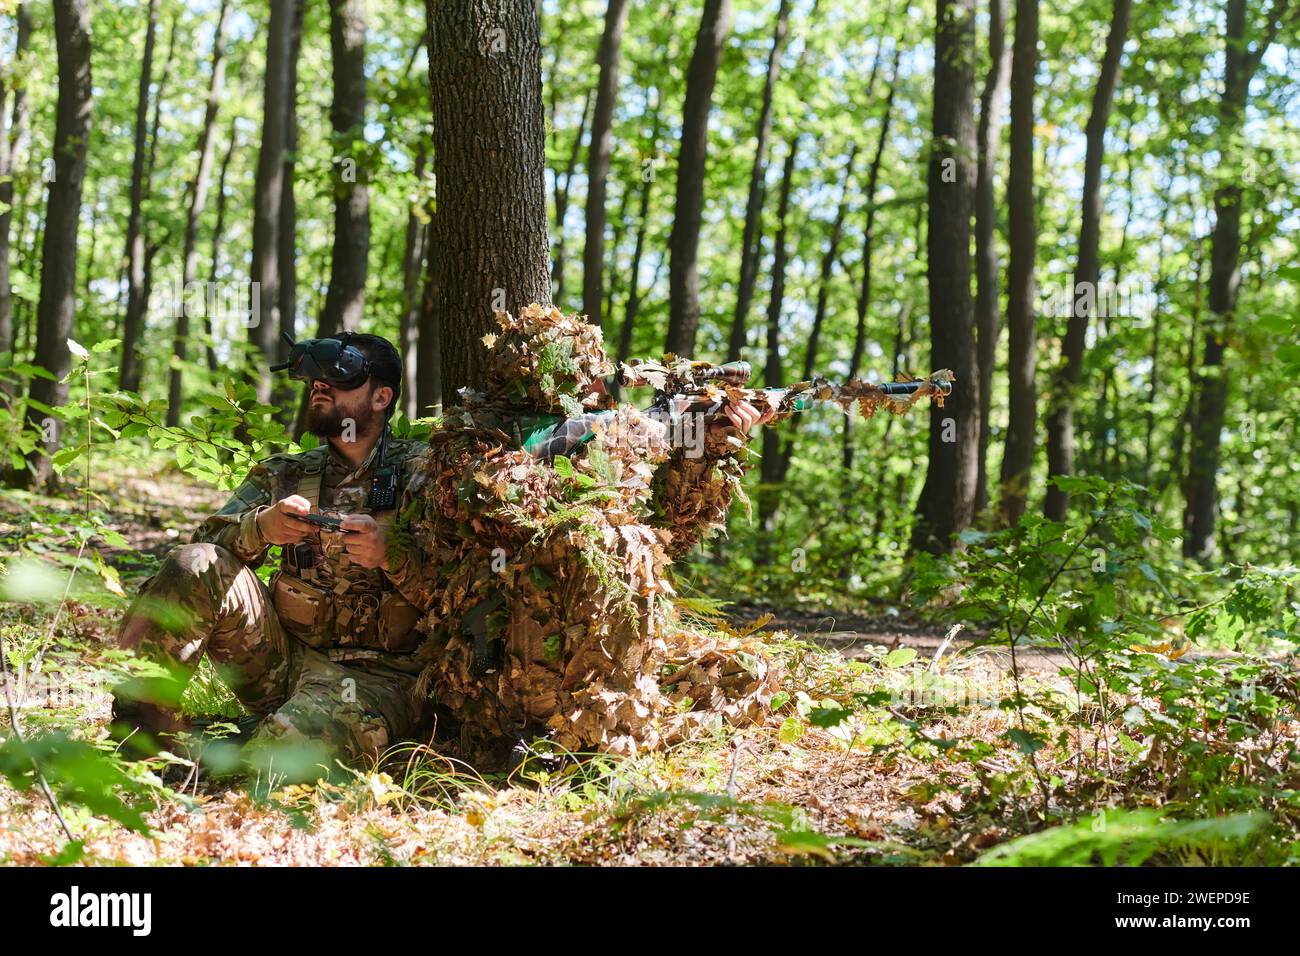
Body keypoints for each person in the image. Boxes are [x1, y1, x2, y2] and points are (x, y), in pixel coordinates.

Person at [395, 305, 779, 761]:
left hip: (605, 655)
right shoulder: (466, 441)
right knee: (609, 536)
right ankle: (562, 739)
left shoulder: (607, 431)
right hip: (505, 660)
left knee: (745, 672)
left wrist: (707, 447)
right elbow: (511, 508)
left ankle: (621, 728)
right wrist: (618, 440)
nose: (595, 386)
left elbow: (671, 534)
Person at [109, 333, 433, 779]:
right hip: (282, 663)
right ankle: (136, 736)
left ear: (382, 396)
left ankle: (241, 756)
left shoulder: (426, 475)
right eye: (314, 379)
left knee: (270, 765)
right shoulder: (289, 473)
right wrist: (261, 527)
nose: (320, 386)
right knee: (196, 562)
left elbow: (468, 594)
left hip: (383, 682)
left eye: (338, 378)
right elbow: (195, 555)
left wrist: (391, 555)